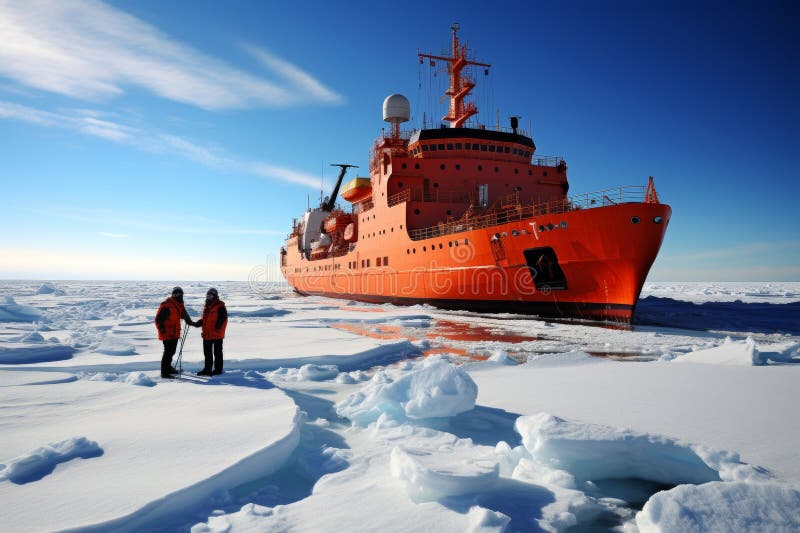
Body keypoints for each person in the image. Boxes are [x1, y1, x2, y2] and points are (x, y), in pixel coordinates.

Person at [154, 287, 199, 378]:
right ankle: (165, 373)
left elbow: (184, 315)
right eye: (175, 294)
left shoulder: (178, 305)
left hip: (174, 333)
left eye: (179, 294)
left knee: (171, 352)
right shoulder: (167, 305)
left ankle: (168, 369)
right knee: (168, 352)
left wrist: (193, 323)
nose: (177, 296)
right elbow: (158, 320)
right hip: (167, 334)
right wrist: (163, 331)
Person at [196, 288, 228, 376]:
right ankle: (207, 370)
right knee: (207, 354)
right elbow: (205, 319)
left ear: (215, 296)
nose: (208, 297)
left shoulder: (220, 306)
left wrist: (217, 327)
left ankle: (218, 370)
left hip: (216, 334)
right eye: (207, 295)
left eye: (210, 295)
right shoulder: (207, 306)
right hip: (207, 334)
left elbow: (223, 317)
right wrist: (198, 323)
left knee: (217, 354)